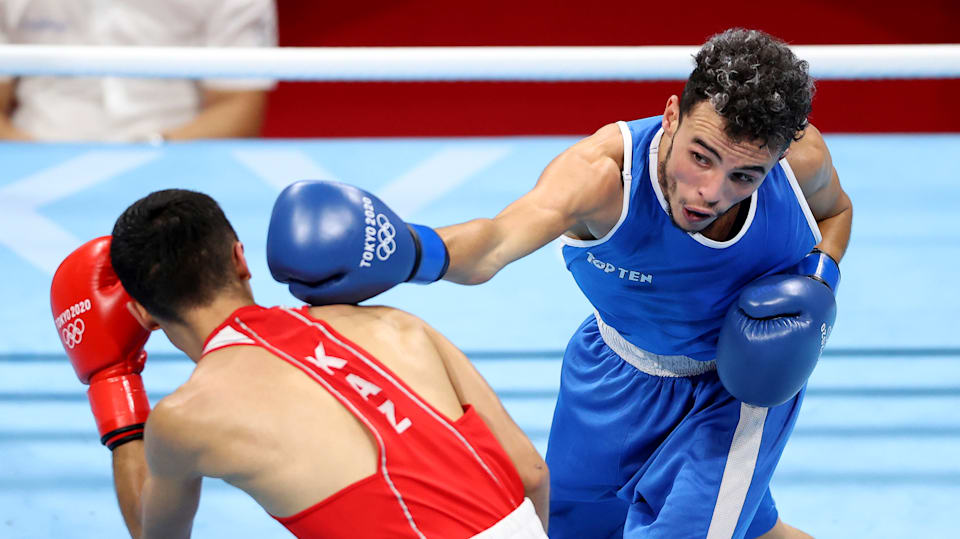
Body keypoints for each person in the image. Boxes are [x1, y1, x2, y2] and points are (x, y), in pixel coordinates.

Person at [266, 28, 853, 538]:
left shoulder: (800, 164)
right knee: (577, 528)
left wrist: (820, 279)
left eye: (744, 175)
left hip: (733, 389)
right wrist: (409, 250)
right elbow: (495, 242)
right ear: (672, 114)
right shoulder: (602, 179)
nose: (712, 191)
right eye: (701, 157)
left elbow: (835, 213)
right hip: (613, 371)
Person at [49, 189, 549, 538]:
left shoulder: (183, 421)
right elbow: (529, 474)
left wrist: (111, 382)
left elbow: (153, 533)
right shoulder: (393, 324)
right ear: (241, 259)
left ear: (141, 313)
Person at [0, 0, 276, 142]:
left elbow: (238, 102)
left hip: (176, 151)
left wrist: (153, 149)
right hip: (35, 150)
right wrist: (34, 157)